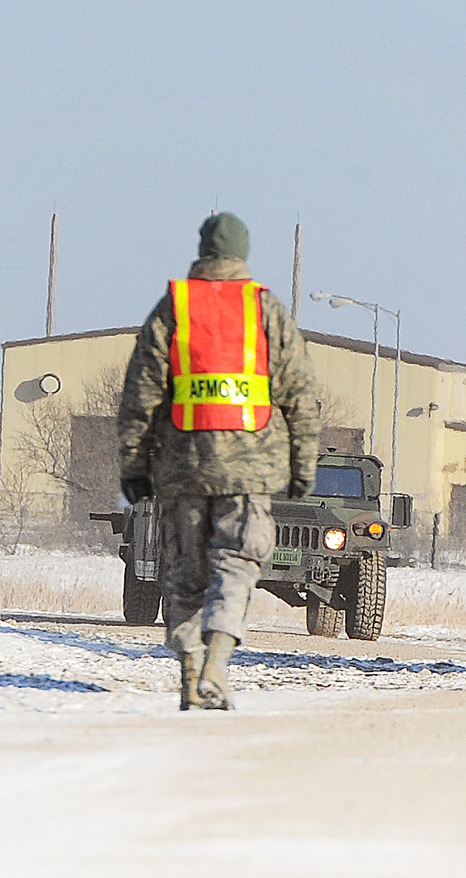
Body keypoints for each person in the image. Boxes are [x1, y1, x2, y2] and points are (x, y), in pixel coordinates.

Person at [116, 212, 321, 711]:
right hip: (249, 474)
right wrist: (303, 467)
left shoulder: (174, 309)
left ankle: (190, 673)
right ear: (243, 252)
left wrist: (134, 467)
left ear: (203, 250)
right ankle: (218, 665)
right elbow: (300, 396)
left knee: (185, 573)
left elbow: (140, 396)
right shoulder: (266, 311)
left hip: (182, 470)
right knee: (236, 564)